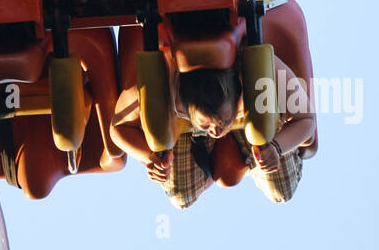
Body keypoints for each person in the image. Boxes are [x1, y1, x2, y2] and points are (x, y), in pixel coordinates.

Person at [111, 54, 315, 208]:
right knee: (181, 196)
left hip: (251, 118)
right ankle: (204, 149)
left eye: (222, 122)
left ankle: (236, 131)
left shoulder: (259, 72)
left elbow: (306, 119)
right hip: (185, 132)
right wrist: (150, 158)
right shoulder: (163, 83)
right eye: (207, 125)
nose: (216, 131)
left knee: (282, 190)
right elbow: (117, 128)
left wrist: (277, 148)